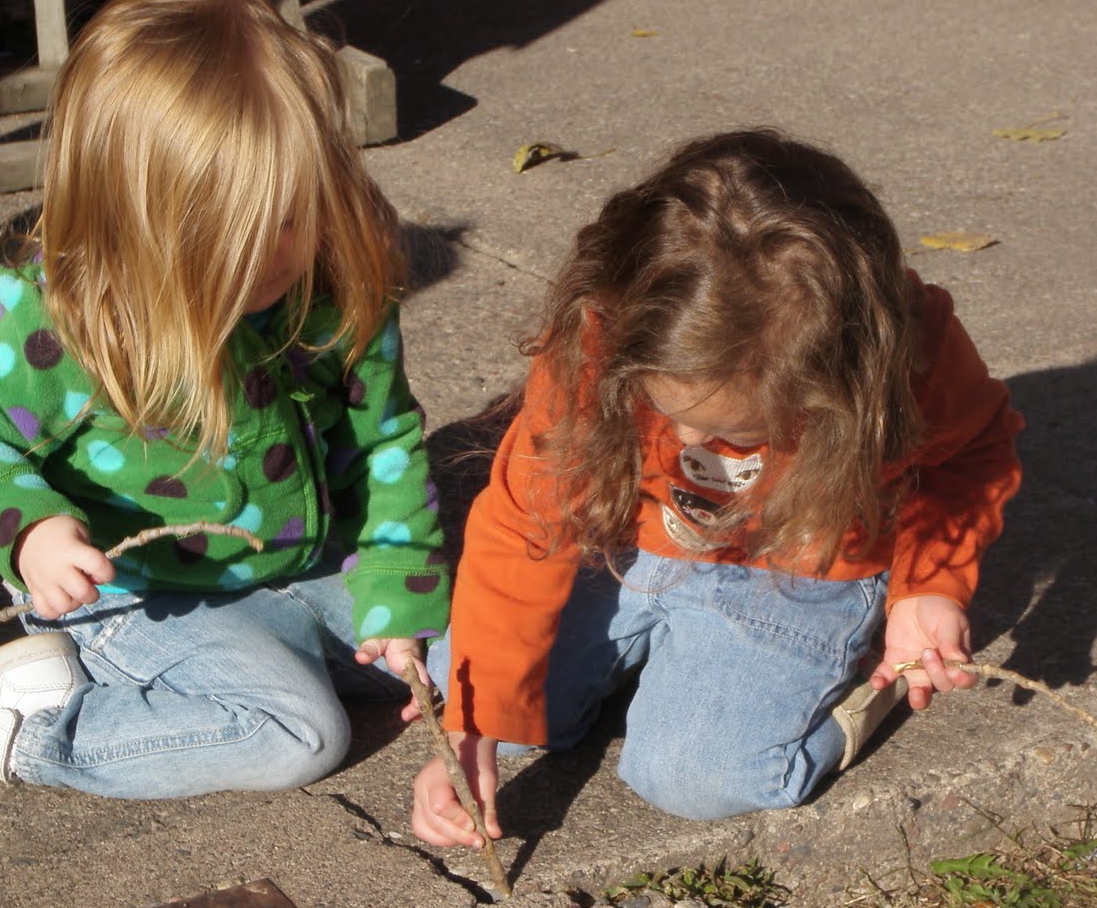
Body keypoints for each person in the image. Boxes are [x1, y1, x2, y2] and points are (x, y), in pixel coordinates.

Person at [0, 0, 449, 800]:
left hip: (304, 560)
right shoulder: (68, 320)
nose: (268, 257)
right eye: (224, 241)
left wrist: (398, 589)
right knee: (294, 732)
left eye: (290, 216)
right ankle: (23, 726)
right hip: (137, 595)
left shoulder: (329, 287)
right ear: (127, 219)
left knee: (476, 650)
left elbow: (385, 443)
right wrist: (32, 534)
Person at [411, 128, 1023, 846]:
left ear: (843, 378)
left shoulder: (914, 356)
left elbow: (970, 457)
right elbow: (526, 523)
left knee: (688, 776)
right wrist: (473, 729)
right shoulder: (601, 329)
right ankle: (671, 672)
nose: (694, 444)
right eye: (670, 414)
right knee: (470, 688)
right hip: (626, 546)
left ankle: (846, 681)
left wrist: (928, 588)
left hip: (800, 566)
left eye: (742, 429)